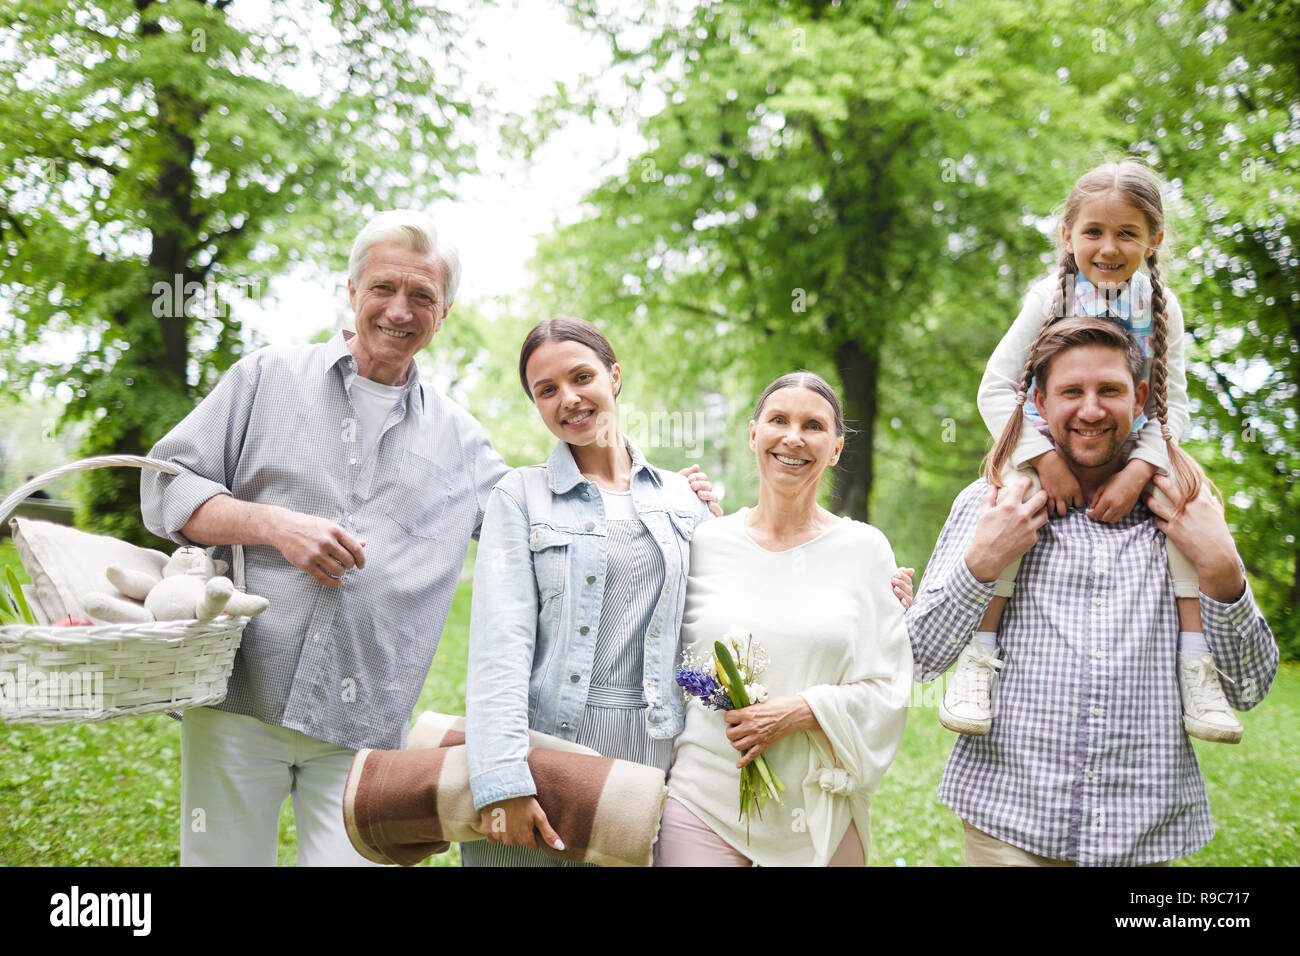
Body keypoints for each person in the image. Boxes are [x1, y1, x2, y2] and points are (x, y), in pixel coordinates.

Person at [908, 317, 1277, 866]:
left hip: (1142, 832)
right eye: (1070, 392)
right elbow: (916, 658)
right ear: (1038, 399)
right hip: (1009, 826)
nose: (1090, 409)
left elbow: (1247, 688)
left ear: (1142, 397)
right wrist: (982, 562)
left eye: (1109, 390)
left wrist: (1222, 568)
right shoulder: (992, 503)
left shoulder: (1185, 508)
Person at [942, 159, 1241, 745]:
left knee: (1188, 499)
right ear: (1067, 236)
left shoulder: (1164, 307)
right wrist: (1042, 459)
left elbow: (1170, 406)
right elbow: (995, 387)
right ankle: (977, 662)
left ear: (1154, 239)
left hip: (1131, 446)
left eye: (1127, 233)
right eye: (1094, 233)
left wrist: (1139, 469)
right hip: (1038, 438)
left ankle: (1197, 668)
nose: (1109, 247)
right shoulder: (1048, 297)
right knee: (1013, 503)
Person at [463, 317, 720, 866]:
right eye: (547, 390)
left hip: (656, 753)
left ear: (615, 377)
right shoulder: (520, 494)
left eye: (582, 377)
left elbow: (726, 613)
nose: (570, 399)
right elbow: (497, 646)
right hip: (548, 749)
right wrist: (502, 778)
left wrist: (868, 590)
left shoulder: (682, 496)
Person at [657, 372, 913, 867]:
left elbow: (890, 687)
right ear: (754, 435)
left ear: (835, 449)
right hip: (703, 798)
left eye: (813, 425)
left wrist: (799, 710)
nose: (793, 437)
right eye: (779, 420)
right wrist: (673, 493)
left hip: (818, 808)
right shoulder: (704, 541)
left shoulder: (865, 550)